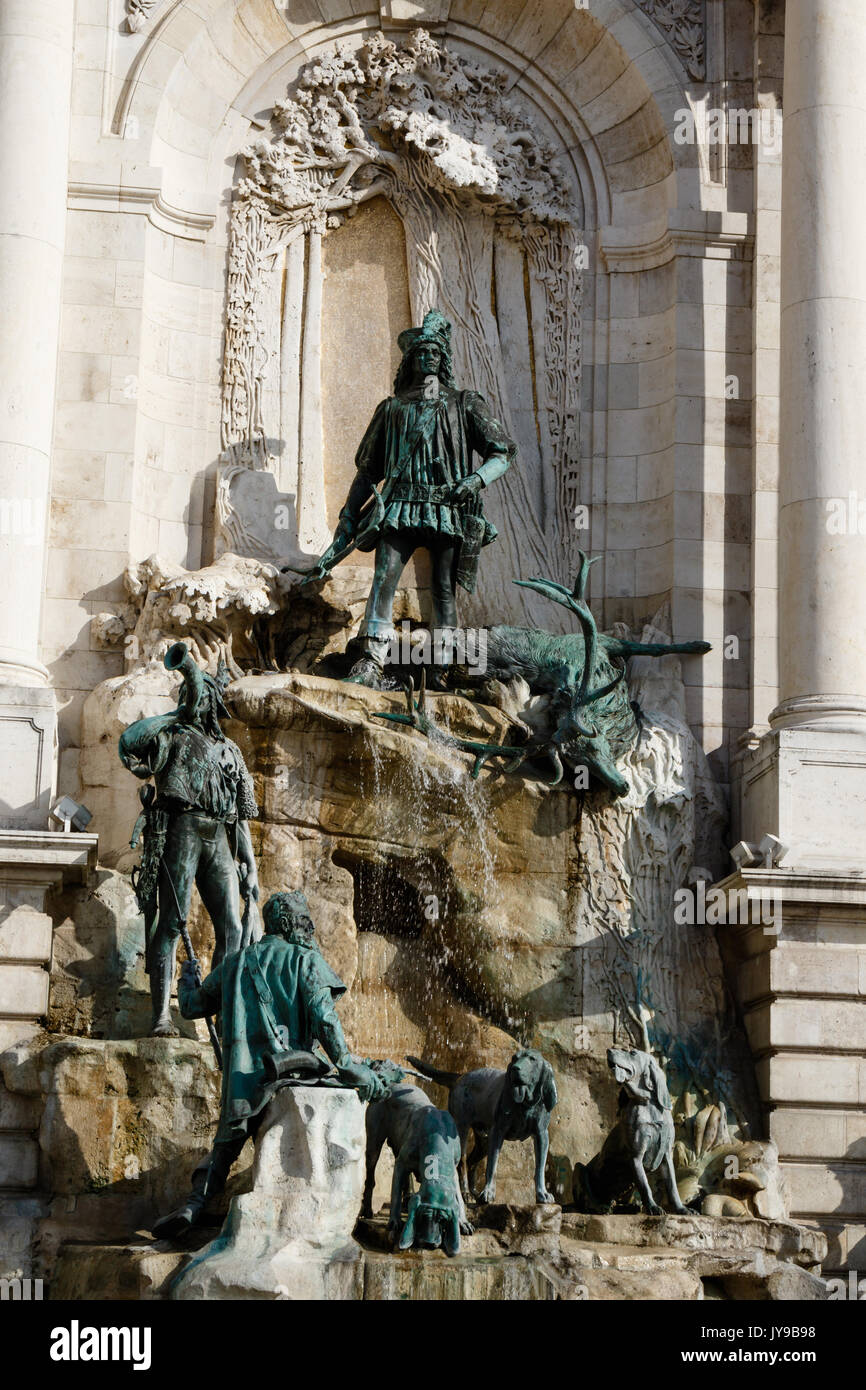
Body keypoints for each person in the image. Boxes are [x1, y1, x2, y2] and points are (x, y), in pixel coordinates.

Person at [151, 890, 385, 1240]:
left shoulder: (236, 961)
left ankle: (194, 1203)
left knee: (226, 1145)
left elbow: (191, 1006)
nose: (310, 929)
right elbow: (325, 1019)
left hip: (244, 1080)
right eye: (305, 922)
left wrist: (188, 976)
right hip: (292, 1071)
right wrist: (348, 1064)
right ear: (290, 924)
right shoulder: (305, 960)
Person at [327, 308, 516, 687]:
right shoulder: (391, 408)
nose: (430, 357)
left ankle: (442, 663)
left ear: (443, 360)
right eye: (422, 352)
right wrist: (348, 518)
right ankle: (372, 657)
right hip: (399, 506)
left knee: (444, 587)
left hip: (447, 507)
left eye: (436, 353)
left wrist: (476, 480)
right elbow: (368, 471)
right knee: (384, 577)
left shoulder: (464, 402)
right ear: (411, 360)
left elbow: (503, 451)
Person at [119, 643, 259, 1036]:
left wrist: (251, 867)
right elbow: (128, 744)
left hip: (219, 836)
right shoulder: (170, 736)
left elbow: (240, 817)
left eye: (197, 694)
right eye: (187, 695)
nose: (193, 699)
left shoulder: (230, 751)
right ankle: (162, 1015)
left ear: (213, 701)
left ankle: (218, 1008)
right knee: (171, 922)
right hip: (182, 828)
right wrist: (174, 714)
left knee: (232, 926)